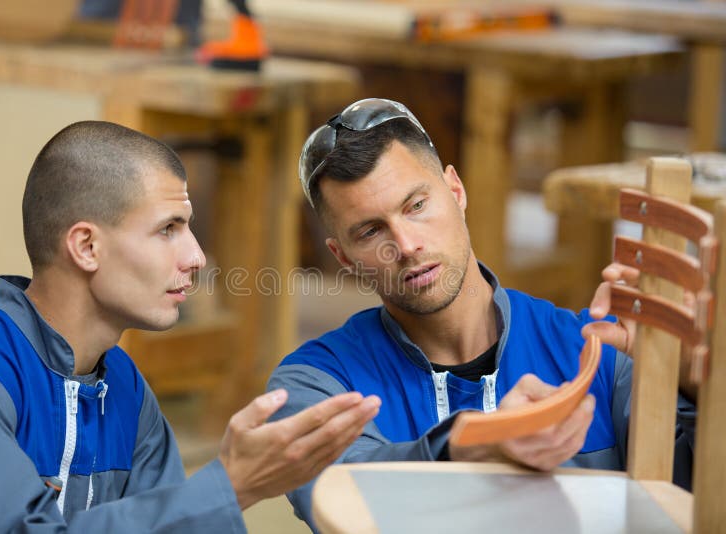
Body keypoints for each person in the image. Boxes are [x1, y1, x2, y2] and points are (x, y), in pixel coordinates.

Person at [0, 121, 381, 532]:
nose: (196, 257)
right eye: (168, 229)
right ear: (86, 246)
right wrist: (232, 486)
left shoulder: (125, 388)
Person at [267, 98, 696, 529]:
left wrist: (697, 382)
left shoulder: (602, 355)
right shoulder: (312, 384)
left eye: (416, 205)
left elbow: (695, 498)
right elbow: (340, 499)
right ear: (343, 257)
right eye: (370, 230)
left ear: (456, 191)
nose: (407, 244)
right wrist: (470, 448)